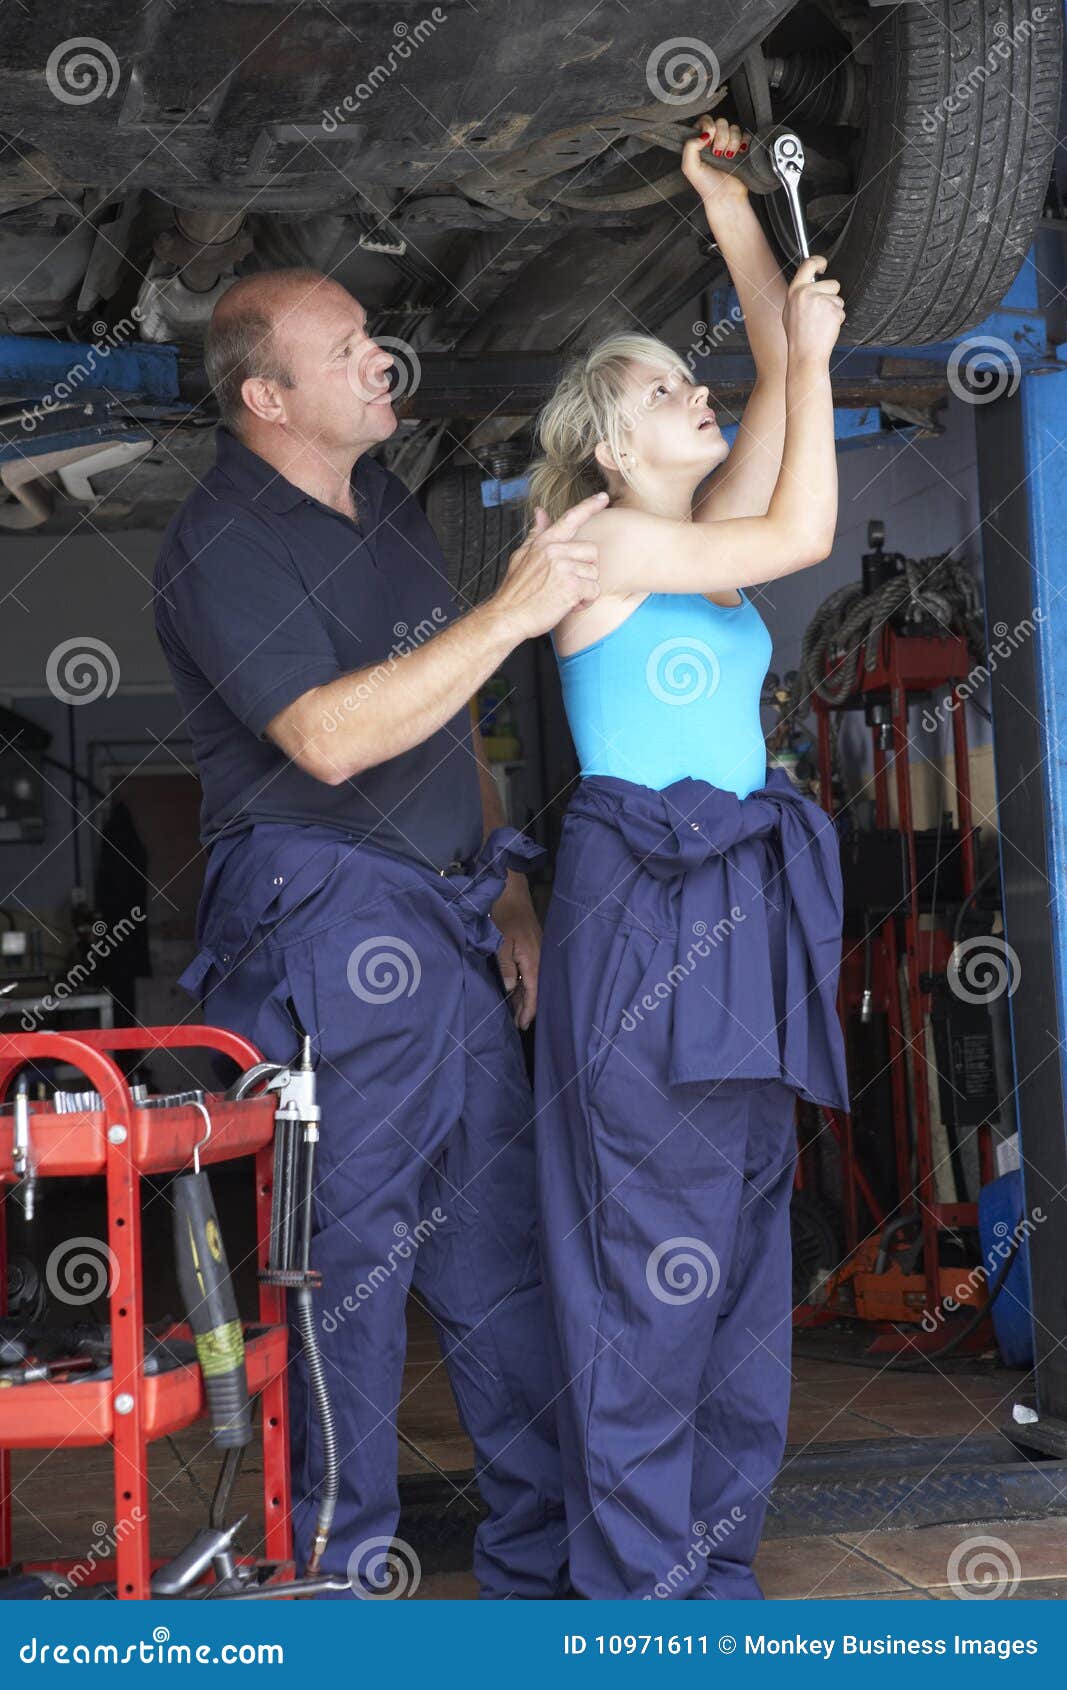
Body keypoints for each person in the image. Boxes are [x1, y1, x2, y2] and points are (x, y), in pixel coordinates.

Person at [152, 266, 607, 1596]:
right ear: (266, 396)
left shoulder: (390, 505)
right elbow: (329, 737)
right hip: (326, 920)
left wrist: (504, 875)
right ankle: (340, 1580)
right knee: (348, 1272)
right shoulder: (221, 540)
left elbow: (447, 703)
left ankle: (542, 1569)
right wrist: (514, 609)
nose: (382, 362)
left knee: (501, 1255)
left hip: (448, 916)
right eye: (349, 349)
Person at [529, 115, 851, 1599]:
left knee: (734, 1255)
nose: (695, 388)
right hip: (648, 908)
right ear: (609, 443)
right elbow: (804, 532)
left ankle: (709, 1581)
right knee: (652, 1259)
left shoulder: (699, 536)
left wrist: (725, 203)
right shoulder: (601, 547)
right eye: (665, 386)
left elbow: (779, 372)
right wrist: (818, 366)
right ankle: (640, 1594)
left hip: (735, 902)